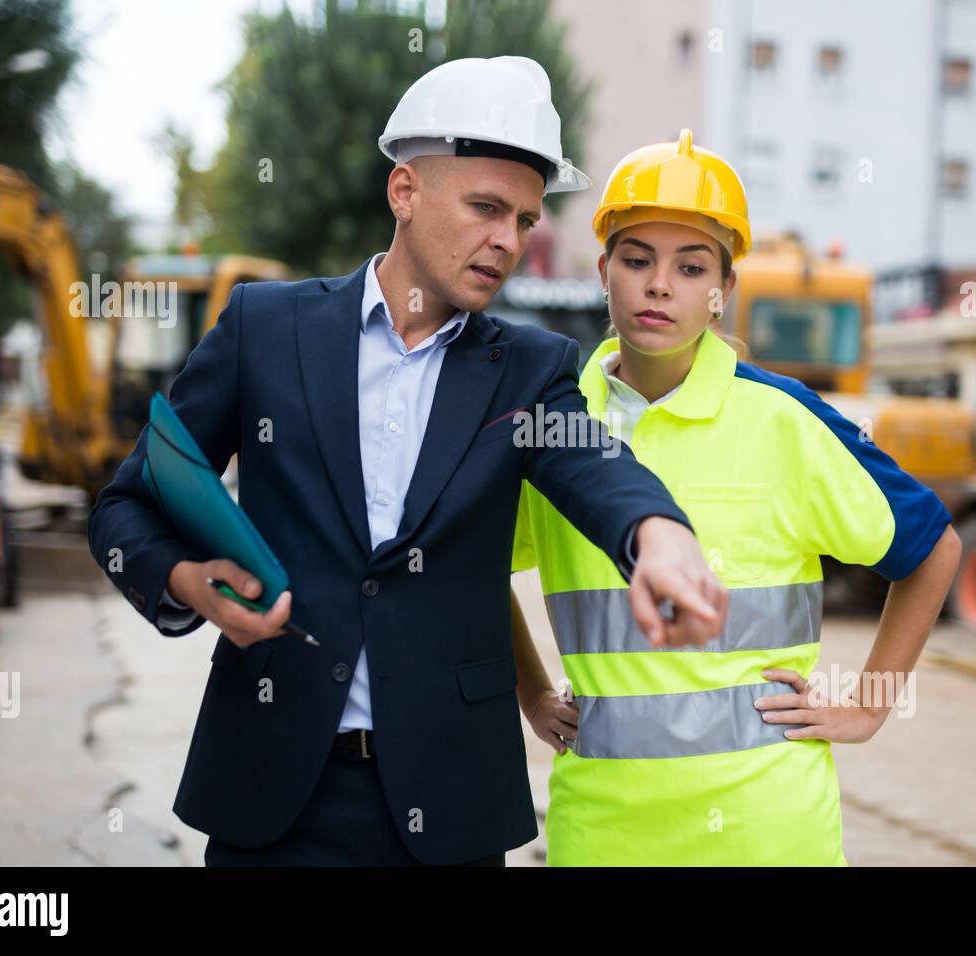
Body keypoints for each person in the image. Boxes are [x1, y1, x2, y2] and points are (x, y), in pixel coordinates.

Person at [87, 59, 729, 867]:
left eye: (526, 220)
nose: (508, 241)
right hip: (272, 793)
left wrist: (659, 535)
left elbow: (596, 463)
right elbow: (125, 506)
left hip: (449, 808)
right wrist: (185, 583)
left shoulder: (529, 368)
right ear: (405, 192)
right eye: (487, 208)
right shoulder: (265, 327)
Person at [510, 129, 962, 865]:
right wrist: (532, 691)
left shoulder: (784, 420)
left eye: (691, 267)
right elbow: (471, 556)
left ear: (724, 291)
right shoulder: (555, 421)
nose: (660, 284)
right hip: (601, 832)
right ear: (602, 271)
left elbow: (932, 547)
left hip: (766, 832)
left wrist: (870, 703)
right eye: (636, 259)